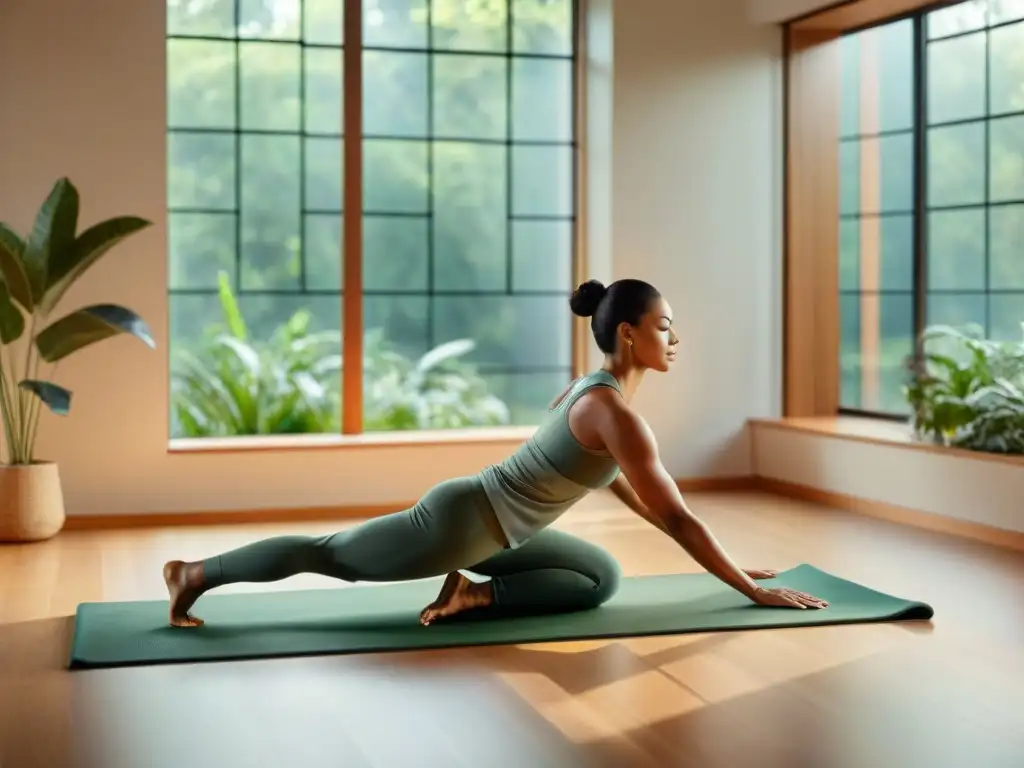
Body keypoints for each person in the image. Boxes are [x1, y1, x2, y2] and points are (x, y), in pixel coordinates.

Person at [163, 278, 828, 628]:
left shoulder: (600, 400)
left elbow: (610, 481)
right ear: (628, 335)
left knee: (600, 579)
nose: (675, 337)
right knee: (331, 556)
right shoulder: (611, 410)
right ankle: (194, 574)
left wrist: (737, 569)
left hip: (499, 534)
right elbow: (679, 517)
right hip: (458, 521)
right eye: (663, 326)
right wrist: (747, 589)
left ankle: (468, 598)